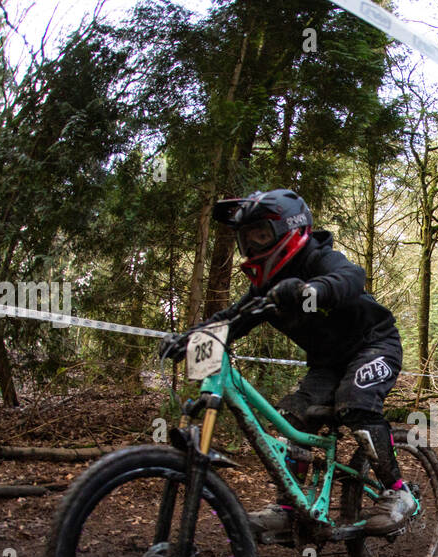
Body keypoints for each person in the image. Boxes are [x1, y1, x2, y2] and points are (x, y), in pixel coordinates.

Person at [162, 188, 415, 536]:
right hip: (327, 365)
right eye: (246, 240)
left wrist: (309, 291)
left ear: (289, 231)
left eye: (262, 235)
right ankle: (291, 507)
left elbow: (352, 278)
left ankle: (399, 493)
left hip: (373, 345)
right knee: (291, 420)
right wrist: (191, 337)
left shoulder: (318, 258)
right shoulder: (267, 289)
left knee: (356, 404)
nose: (253, 247)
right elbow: (231, 318)